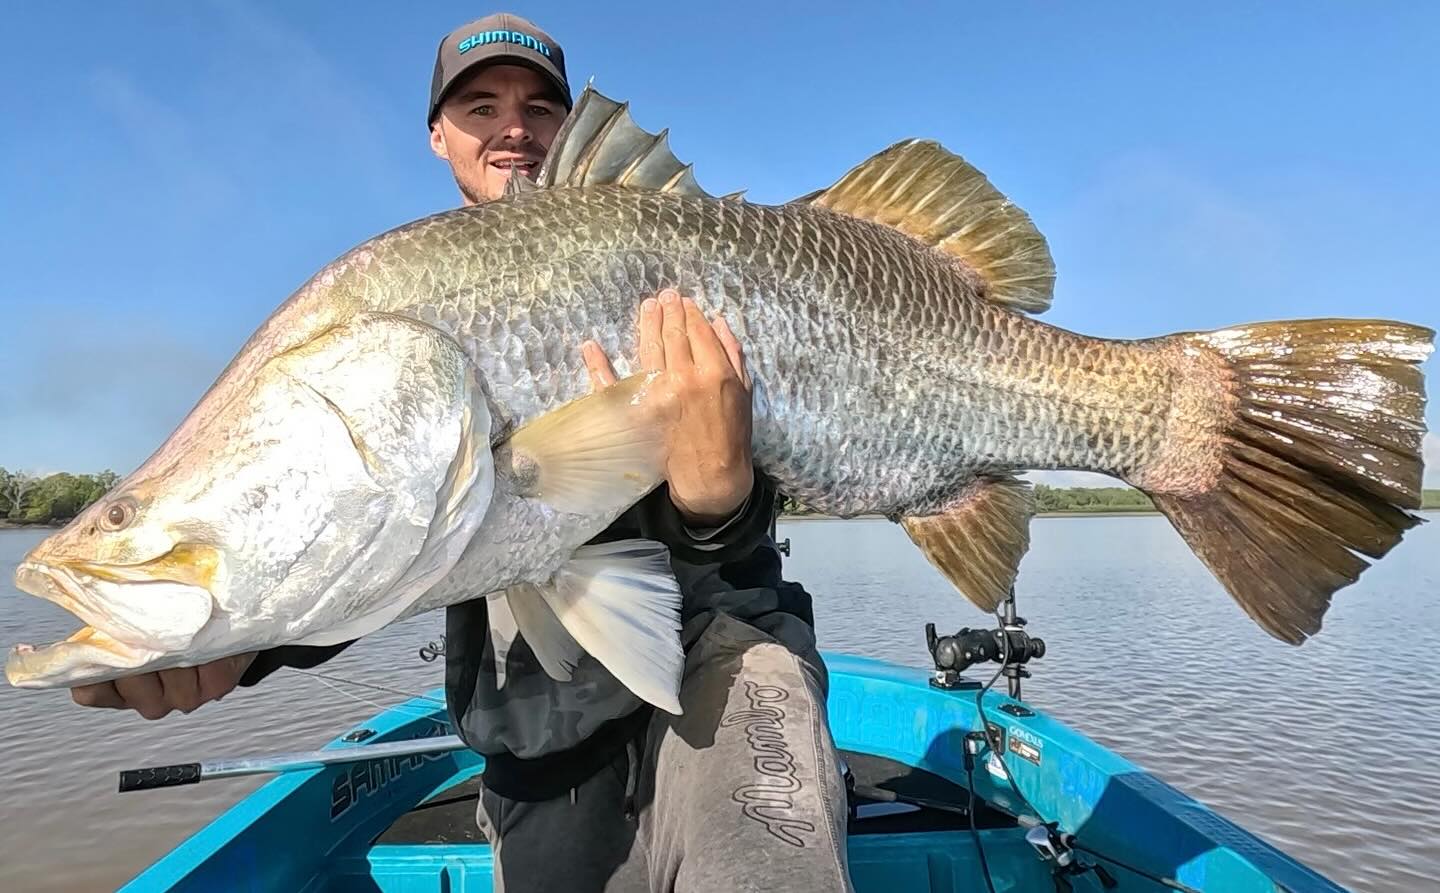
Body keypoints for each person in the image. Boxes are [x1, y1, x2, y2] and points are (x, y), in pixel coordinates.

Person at [71, 13, 853, 892]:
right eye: (480, 106)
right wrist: (245, 644)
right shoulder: (408, 299)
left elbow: (785, 464)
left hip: (730, 650)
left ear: (569, 131)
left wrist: (717, 503)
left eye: (541, 107)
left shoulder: (661, 249)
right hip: (534, 729)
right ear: (439, 134)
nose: (512, 126)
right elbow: (388, 529)